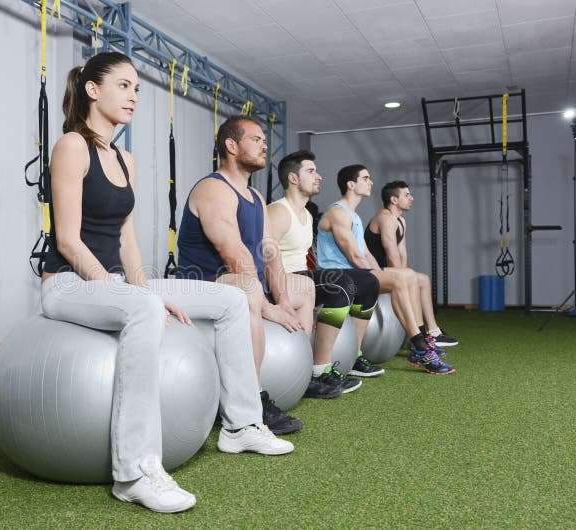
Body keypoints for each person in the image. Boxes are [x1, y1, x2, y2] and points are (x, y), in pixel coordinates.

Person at [41, 52, 292, 514]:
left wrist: (142, 287)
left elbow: (128, 242)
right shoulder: (72, 146)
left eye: (137, 88)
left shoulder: (126, 159)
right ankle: (135, 471)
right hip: (68, 284)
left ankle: (241, 425)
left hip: (113, 282)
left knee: (232, 299)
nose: (134, 96)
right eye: (123, 86)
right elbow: (70, 241)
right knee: (143, 308)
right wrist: (135, 297)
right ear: (93, 90)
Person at [177, 115, 315, 435]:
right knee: (249, 290)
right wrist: (267, 305)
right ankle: (252, 399)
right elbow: (233, 252)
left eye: (265, 140)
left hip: (240, 283)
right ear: (231, 145)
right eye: (256, 139)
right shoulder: (213, 188)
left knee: (304, 289)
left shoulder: (256, 198)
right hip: (203, 284)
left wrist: (282, 301)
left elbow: (271, 253)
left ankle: (302, 376)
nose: (265, 144)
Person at [268, 150, 384, 400]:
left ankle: (354, 353)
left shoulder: (307, 215)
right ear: (293, 178)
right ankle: (319, 369)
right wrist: (283, 297)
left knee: (368, 282)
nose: (319, 176)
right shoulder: (278, 211)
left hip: (303, 276)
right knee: (339, 284)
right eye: (311, 171)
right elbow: (266, 256)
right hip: (282, 280)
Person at [317, 164, 455, 375]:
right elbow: (354, 256)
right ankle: (419, 346)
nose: (371, 182)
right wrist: (378, 276)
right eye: (365, 178)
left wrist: (384, 273)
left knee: (407, 275)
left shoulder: (354, 216)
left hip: (353, 273)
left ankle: (421, 336)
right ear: (351, 184)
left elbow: (366, 254)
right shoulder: (338, 212)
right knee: (398, 280)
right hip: (337, 276)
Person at [365, 181, 458, 347]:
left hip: (389, 271)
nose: (411, 198)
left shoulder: (400, 220)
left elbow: (402, 253)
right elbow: (392, 254)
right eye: (406, 195)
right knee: (413, 279)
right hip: (374, 272)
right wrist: (404, 278)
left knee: (423, 279)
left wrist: (406, 274)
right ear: (394, 199)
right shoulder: (385, 218)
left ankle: (433, 332)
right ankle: (419, 336)